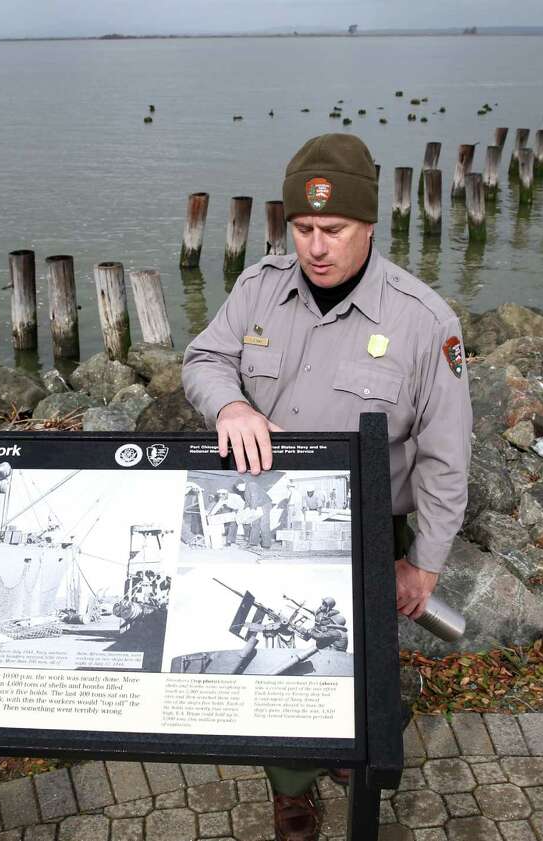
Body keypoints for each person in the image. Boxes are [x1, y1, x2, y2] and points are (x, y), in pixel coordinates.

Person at [182, 133, 472, 841]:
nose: (315, 247)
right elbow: (204, 357)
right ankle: (291, 789)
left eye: (333, 230)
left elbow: (444, 454)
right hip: (266, 523)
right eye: (303, 229)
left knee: (347, 659)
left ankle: (350, 756)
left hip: (370, 526)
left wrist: (424, 563)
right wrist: (232, 404)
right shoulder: (257, 289)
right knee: (274, 660)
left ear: (370, 225)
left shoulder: (423, 321)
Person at [242, 475, 273, 549]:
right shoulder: (245, 491)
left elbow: (254, 496)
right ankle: (253, 543)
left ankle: (266, 544)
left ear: (242, 484)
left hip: (265, 504)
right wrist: (244, 512)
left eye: (238, 487)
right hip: (257, 505)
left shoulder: (251, 485)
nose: (238, 489)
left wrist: (253, 509)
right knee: (255, 523)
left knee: (264, 524)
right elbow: (247, 503)